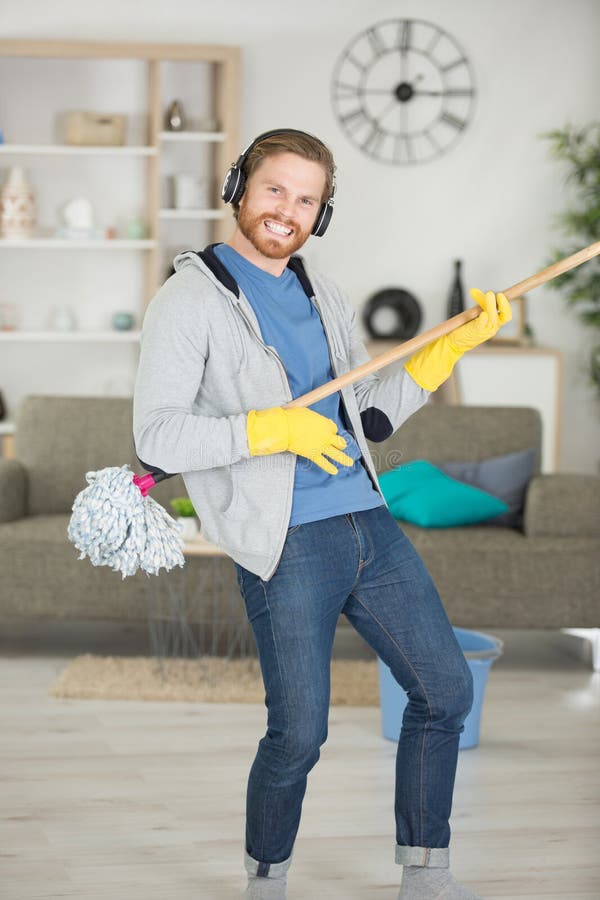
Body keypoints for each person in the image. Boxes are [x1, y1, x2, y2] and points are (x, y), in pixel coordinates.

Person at [133, 128, 511, 900]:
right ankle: (266, 881)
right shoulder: (190, 299)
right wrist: (268, 428)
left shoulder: (322, 292)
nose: (288, 211)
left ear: (322, 214)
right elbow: (156, 435)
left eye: (308, 199)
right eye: (275, 189)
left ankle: (426, 873)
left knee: (445, 694)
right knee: (299, 734)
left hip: (369, 522)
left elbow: (364, 422)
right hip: (287, 543)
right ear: (240, 186)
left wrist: (441, 357)